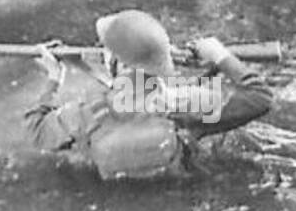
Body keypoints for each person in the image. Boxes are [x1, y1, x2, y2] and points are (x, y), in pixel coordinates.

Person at [24, 9, 274, 180]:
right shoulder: (187, 103)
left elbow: (37, 131)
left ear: (113, 61)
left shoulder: (84, 115)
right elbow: (260, 97)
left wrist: (55, 77)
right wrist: (221, 55)